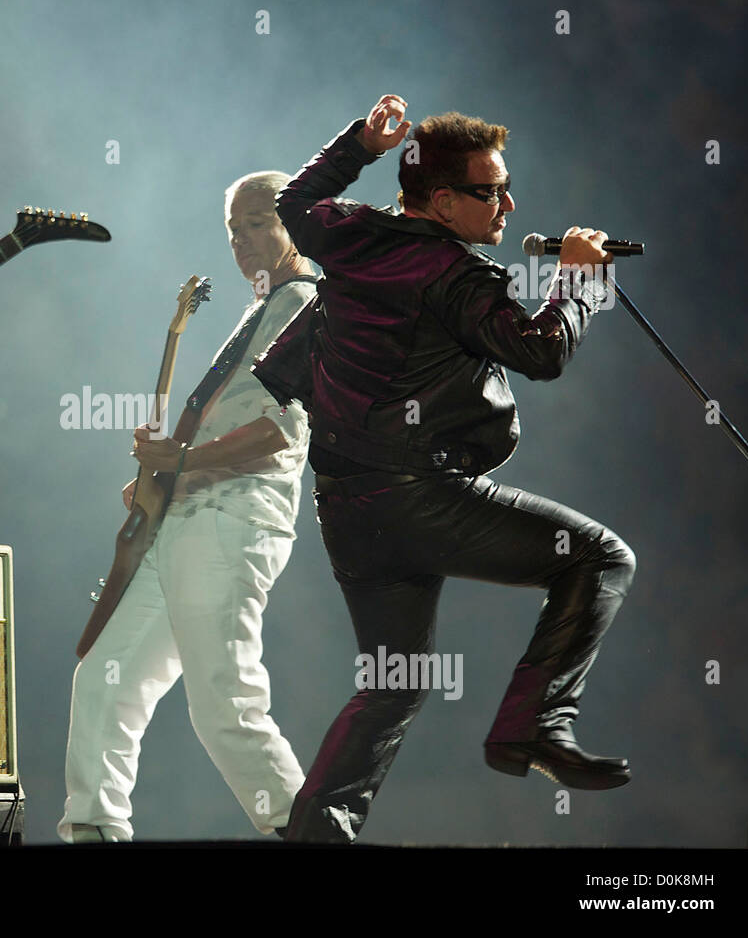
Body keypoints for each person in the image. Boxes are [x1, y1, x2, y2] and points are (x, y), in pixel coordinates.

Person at [253, 94, 635, 843]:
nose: (507, 204)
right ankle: (533, 727)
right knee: (600, 558)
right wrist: (581, 282)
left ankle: (315, 836)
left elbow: (296, 202)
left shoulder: (354, 235)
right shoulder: (455, 273)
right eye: (490, 191)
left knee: (394, 686)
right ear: (439, 199)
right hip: (418, 496)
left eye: (505, 186)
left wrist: (359, 143)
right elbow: (540, 352)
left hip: (349, 509)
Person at [58, 171, 317, 842]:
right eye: (234, 230)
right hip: (187, 518)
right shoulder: (262, 307)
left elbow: (277, 432)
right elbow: (230, 423)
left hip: (233, 522)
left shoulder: (310, 303)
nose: (244, 241)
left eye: (260, 222)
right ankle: (92, 829)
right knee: (103, 681)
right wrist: (165, 473)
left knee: (225, 702)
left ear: (300, 223)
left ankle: (305, 831)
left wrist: (182, 462)